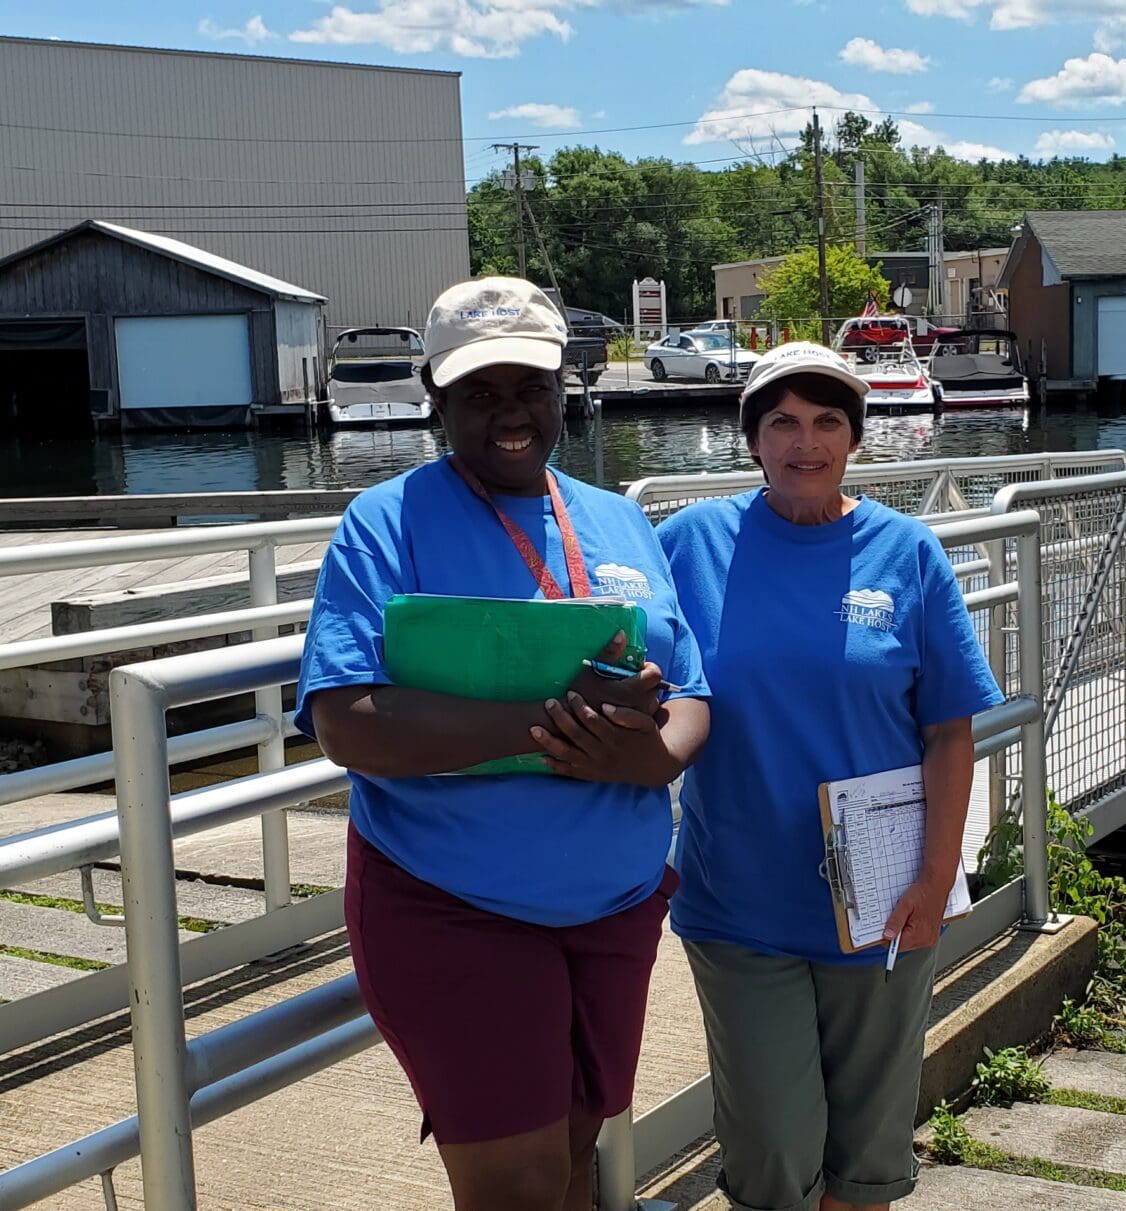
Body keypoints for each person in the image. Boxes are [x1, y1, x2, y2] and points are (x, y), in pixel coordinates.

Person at [295, 277, 712, 1211]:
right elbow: (344, 720)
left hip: (615, 901)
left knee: (574, 1154)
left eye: (530, 386)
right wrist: (554, 722)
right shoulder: (386, 522)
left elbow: (691, 690)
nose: (510, 413)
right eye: (478, 392)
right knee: (516, 1185)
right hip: (454, 901)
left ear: (565, 388)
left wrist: (654, 756)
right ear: (435, 397)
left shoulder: (617, 518)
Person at [657, 342, 1006, 1211]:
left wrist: (936, 875)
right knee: (772, 1152)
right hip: (738, 900)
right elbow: (623, 659)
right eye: (782, 422)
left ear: (854, 437)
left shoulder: (906, 551)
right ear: (752, 439)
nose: (804, 443)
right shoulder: (691, 544)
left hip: (882, 901)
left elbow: (949, 730)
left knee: (867, 1157)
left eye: (826, 422)